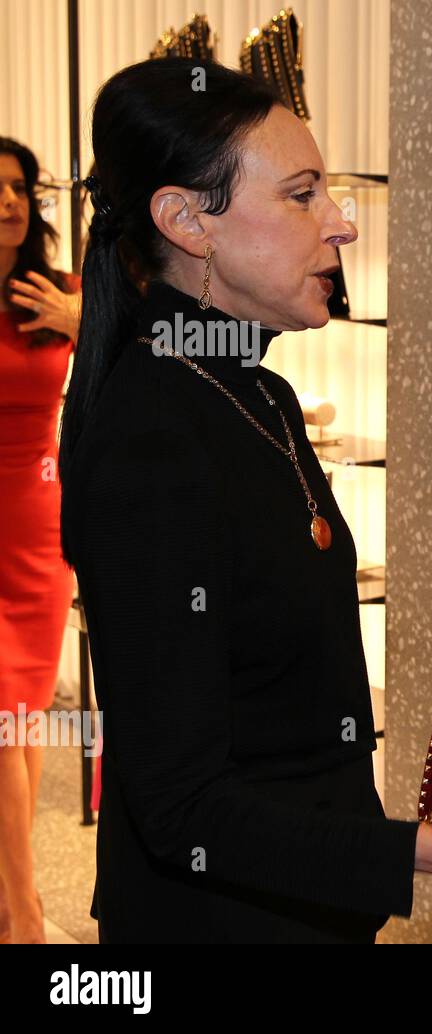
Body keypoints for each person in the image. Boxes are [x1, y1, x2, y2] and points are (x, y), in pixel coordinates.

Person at [58, 58, 432, 943]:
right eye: (302, 195)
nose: (343, 224)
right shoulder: (150, 442)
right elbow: (182, 807)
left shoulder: (257, 393)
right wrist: (423, 850)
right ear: (185, 220)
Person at [0, 136, 82, 944]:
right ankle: (22, 913)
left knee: (20, 717)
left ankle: (7, 902)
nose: (8, 200)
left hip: (39, 522)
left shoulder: (59, 291)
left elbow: (141, 356)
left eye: (19, 185)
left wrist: (77, 316)